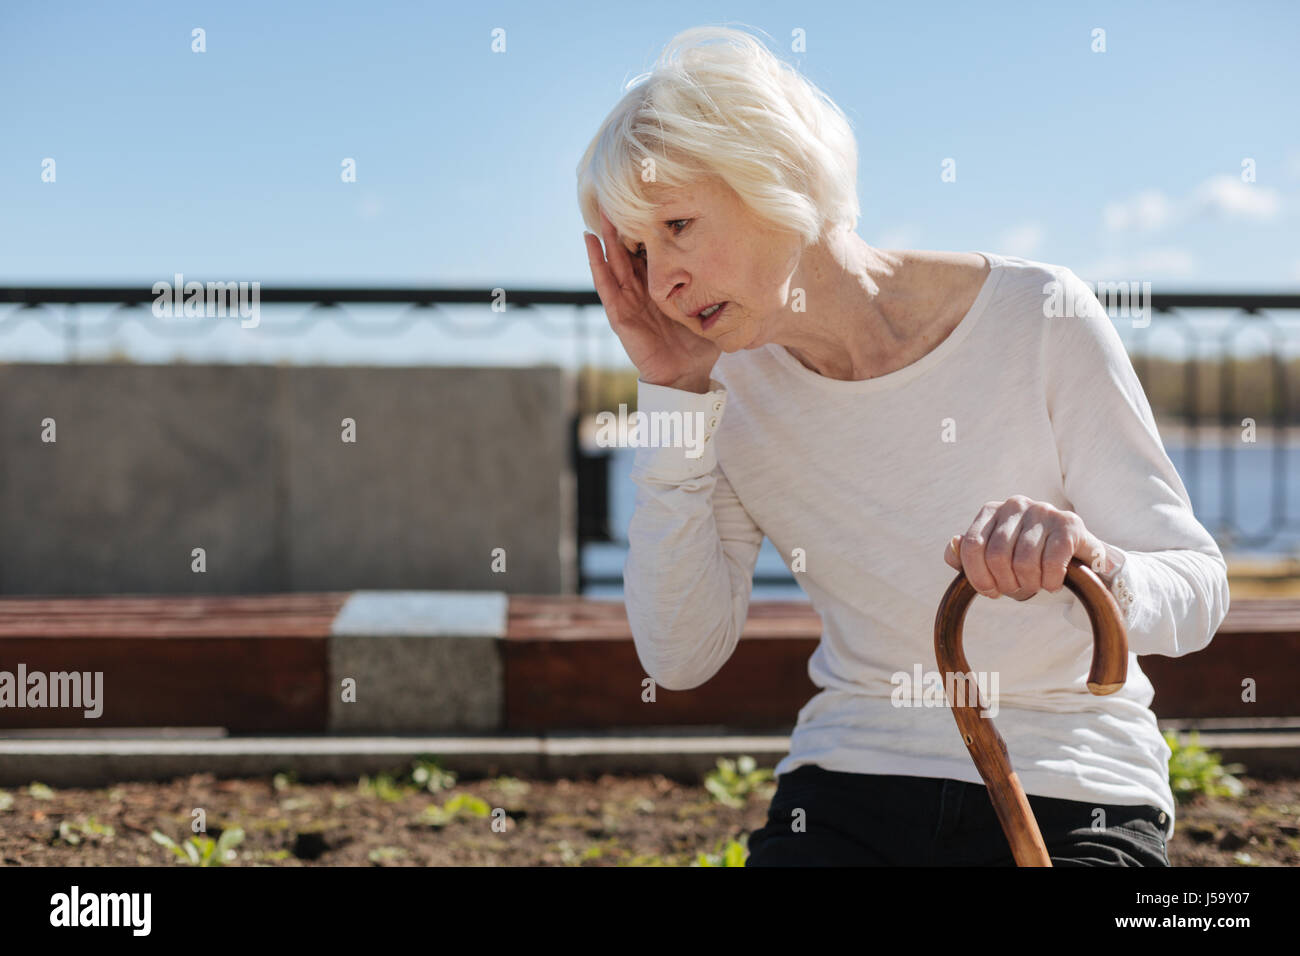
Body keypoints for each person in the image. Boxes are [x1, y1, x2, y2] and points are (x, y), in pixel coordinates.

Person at [576, 26, 1229, 866]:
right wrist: (670, 397)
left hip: (1071, 781)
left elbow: (1198, 588)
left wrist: (1098, 566)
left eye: (677, 225)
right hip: (851, 778)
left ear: (772, 172)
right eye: (636, 254)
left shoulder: (1038, 314)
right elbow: (680, 656)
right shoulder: (719, 390)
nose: (661, 279)